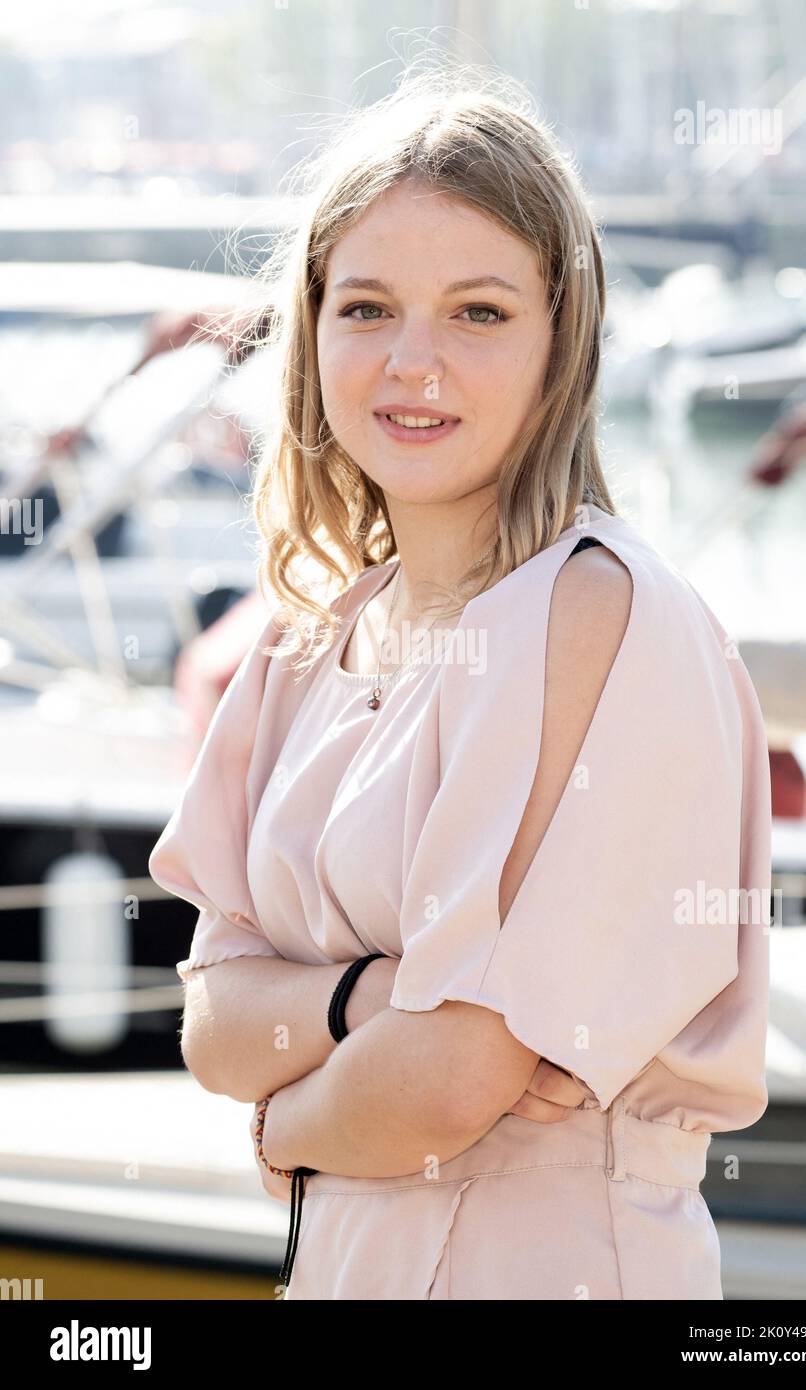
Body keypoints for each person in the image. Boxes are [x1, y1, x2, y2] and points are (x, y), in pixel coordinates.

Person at [148, 60, 772, 1301]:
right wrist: (379, 1002)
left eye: (478, 313)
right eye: (367, 308)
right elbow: (212, 1021)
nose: (411, 364)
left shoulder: (598, 613)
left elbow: (445, 1088)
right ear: (312, 330)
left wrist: (282, 1129)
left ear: (559, 337)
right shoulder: (303, 637)